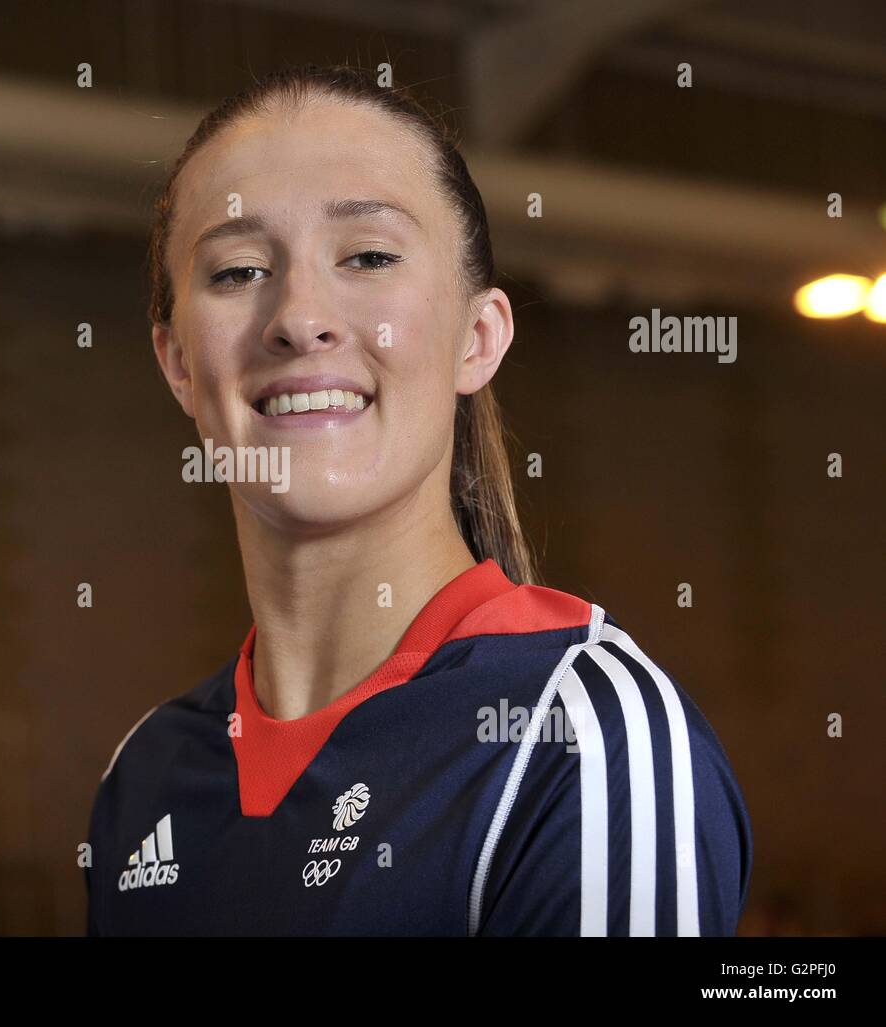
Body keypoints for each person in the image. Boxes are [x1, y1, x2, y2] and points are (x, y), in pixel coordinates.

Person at [84, 63, 752, 936]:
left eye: (367, 255)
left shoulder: (585, 736)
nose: (299, 316)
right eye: (240, 270)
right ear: (177, 362)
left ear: (477, 339)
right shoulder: (146, 775)